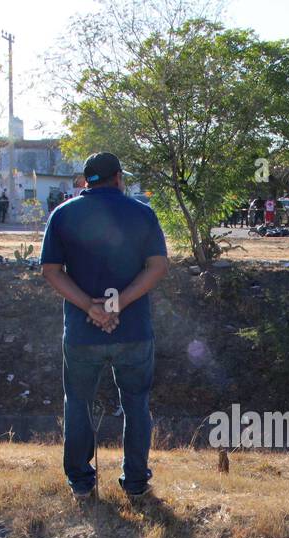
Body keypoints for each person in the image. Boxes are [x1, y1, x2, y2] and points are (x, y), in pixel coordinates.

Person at [40, 151, 169, 500]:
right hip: (133, 330)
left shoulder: (63, 214)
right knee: (136, 403)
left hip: (82, 333)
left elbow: (51, 271)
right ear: (118, 178)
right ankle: (136, 482)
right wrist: (117, 304)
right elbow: (157, 265)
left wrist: (90, 307)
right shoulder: (142, 213)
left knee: (78, 403)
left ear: (85, 181)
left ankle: (81, 483)